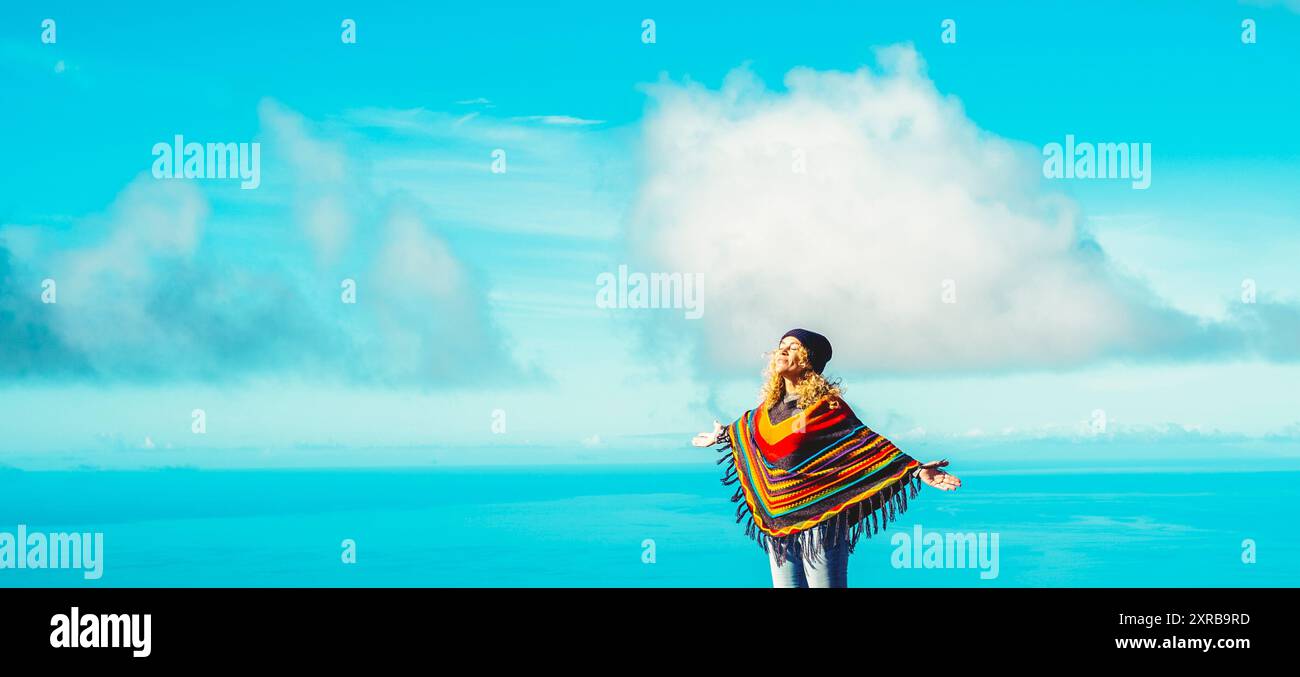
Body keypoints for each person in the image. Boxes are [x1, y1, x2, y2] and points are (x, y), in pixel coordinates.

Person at [692, 328, 961, 588]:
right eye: (782, 345)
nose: (783, 349)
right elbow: (747, 432)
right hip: (780, 528)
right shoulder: (766, 412)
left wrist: (913, 469)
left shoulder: (826, 407)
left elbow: (866, 444)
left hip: (821, 523)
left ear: (809, 360)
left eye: (794, 346)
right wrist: (724, 435)